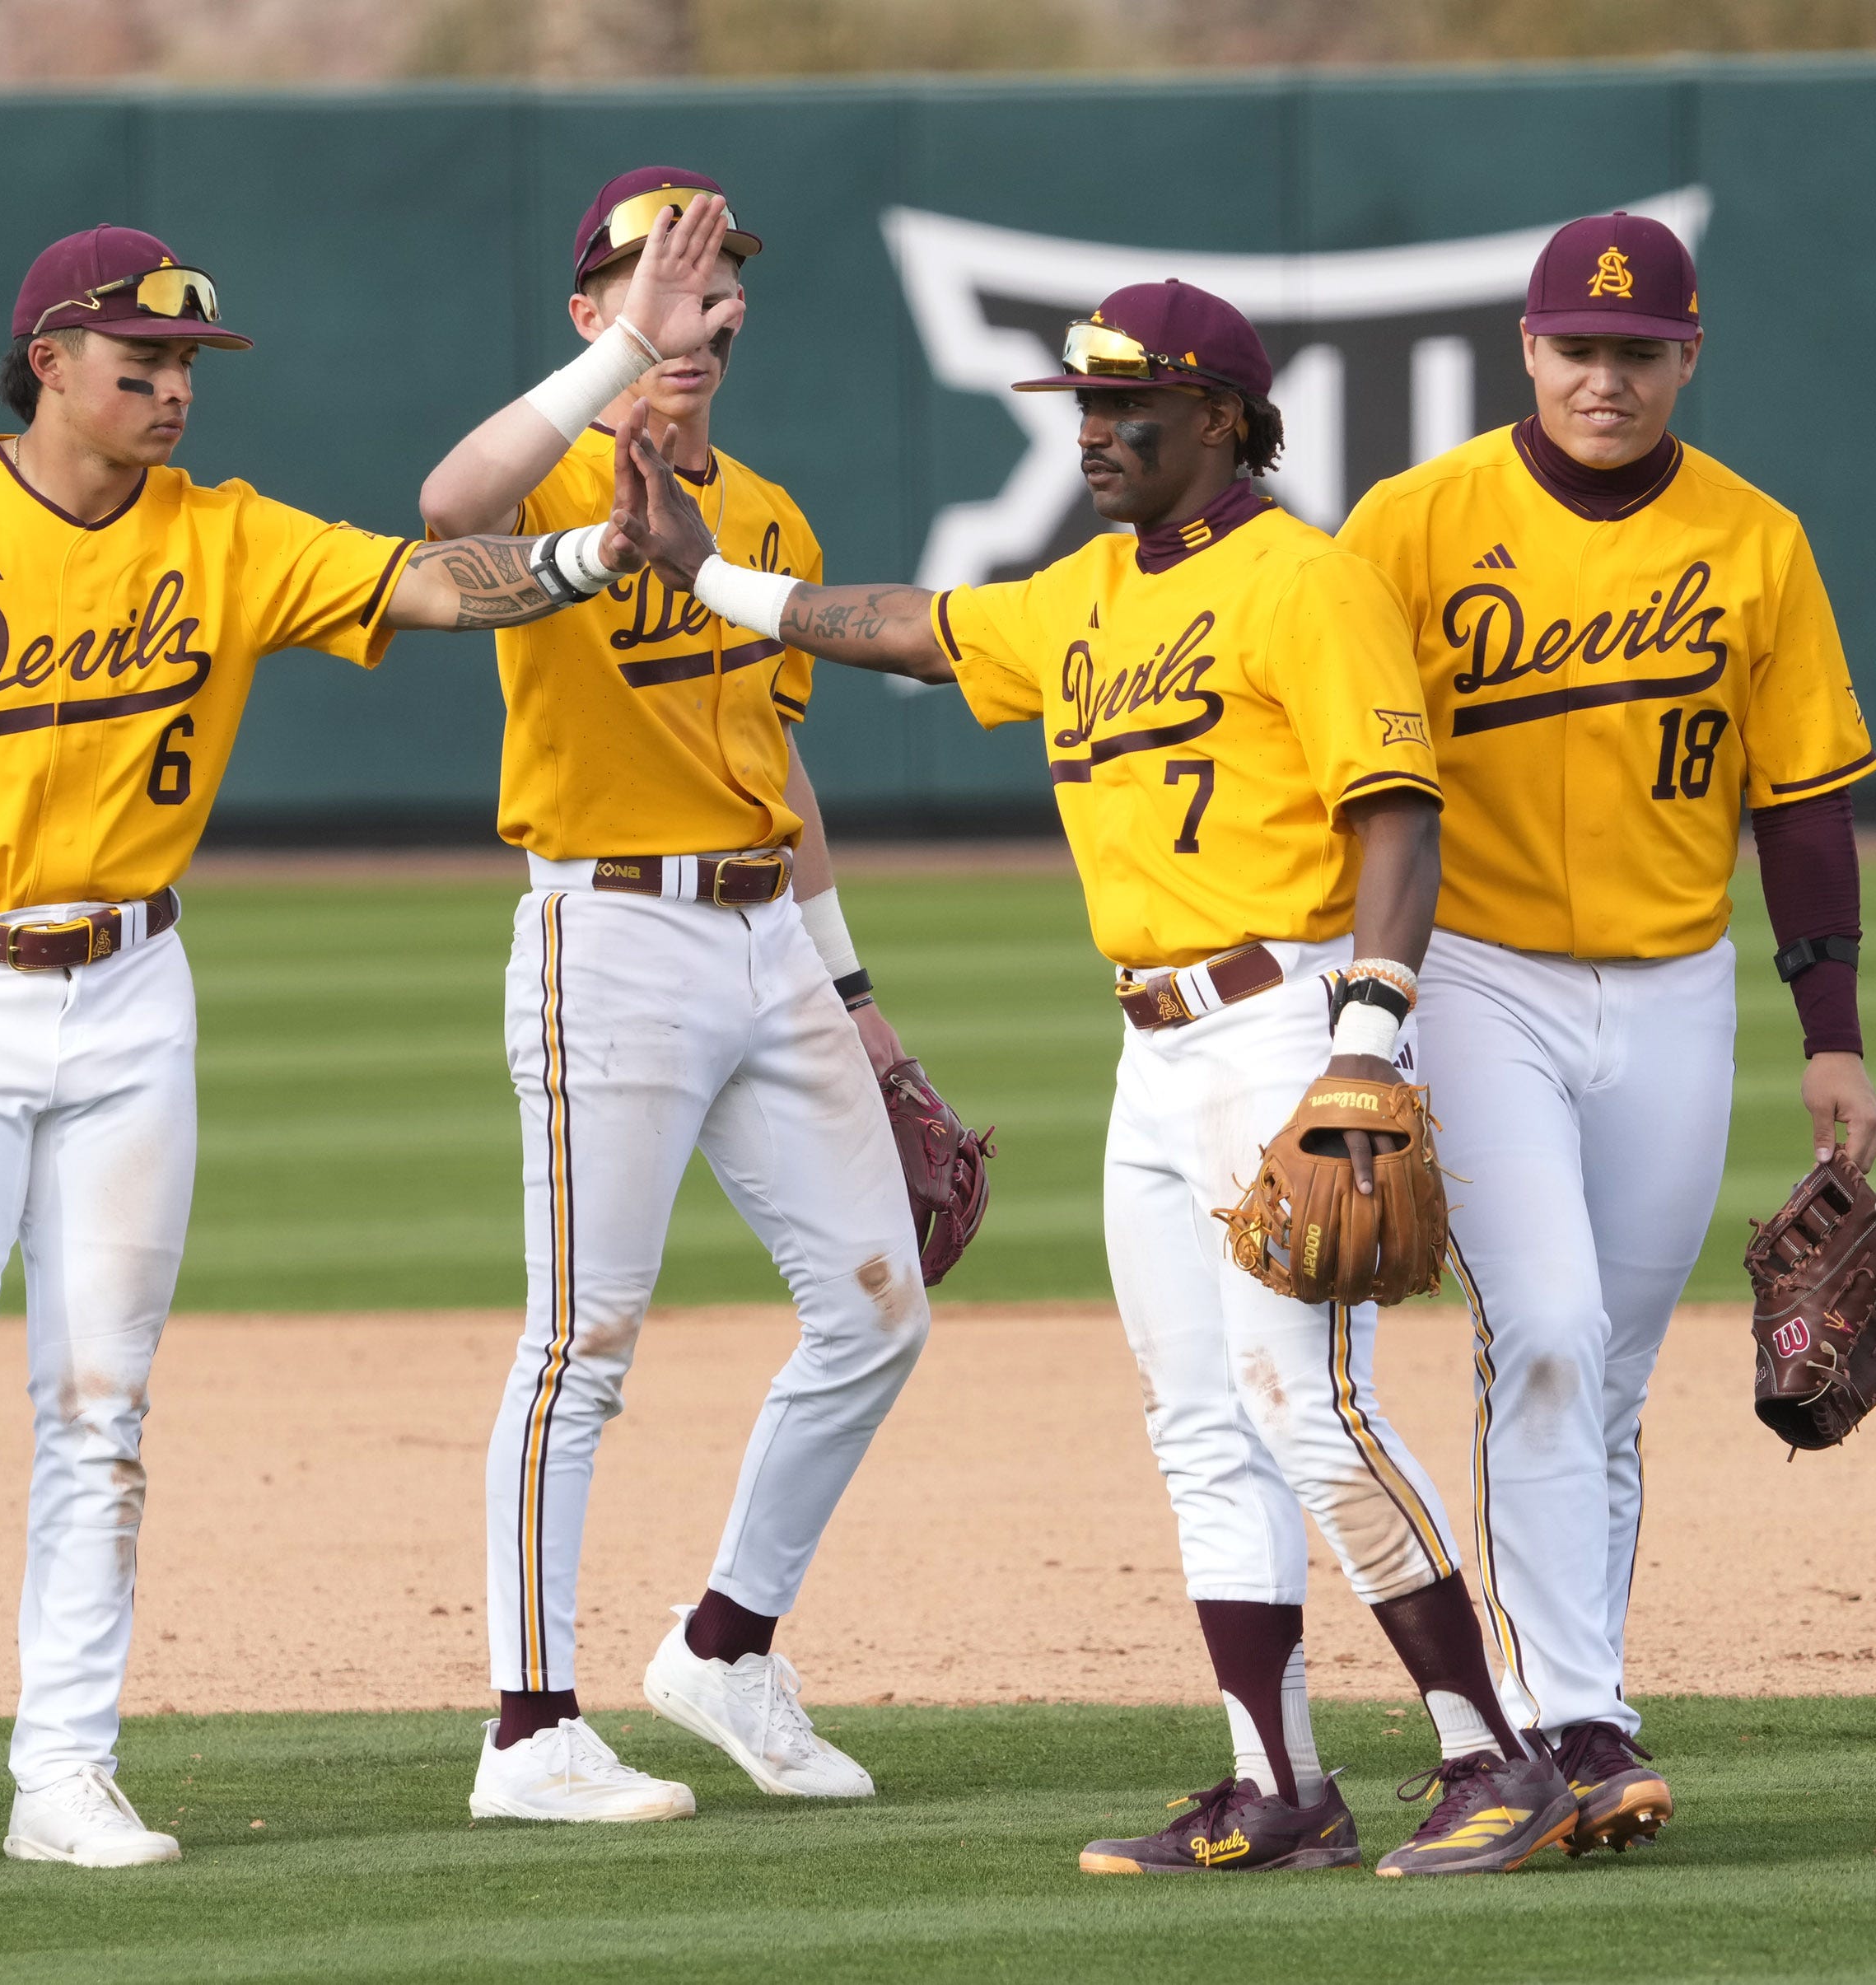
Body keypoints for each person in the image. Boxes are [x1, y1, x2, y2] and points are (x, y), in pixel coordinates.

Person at [0, 222, 656, 1879]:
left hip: (133, 993)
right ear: (46, 362)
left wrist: (579, 563)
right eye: (140, 364)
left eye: (187, 365)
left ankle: (66, 1767)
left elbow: (416, 580)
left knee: (99, 1402)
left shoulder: (221, 534)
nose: (171, 391)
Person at [610, 277, 1578, 1877]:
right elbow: (910, 632)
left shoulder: (1303, 581)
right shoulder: (1082, 595)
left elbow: (1396, 813)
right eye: (1079, 406)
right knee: (1200, 1423)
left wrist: (1363, 1038)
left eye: (1125, 406)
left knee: (1309, 1406)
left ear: (1223, 418)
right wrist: (698, 573)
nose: (1092, 433)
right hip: (1149, 1054)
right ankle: (1276, 1783)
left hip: (1283, 1022)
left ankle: (1496, 1755)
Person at [1337, 212, 1876, 1853]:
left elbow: (1798, 807)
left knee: (1614, 1376)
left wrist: (1831, 1031)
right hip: (1478, 978)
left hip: (1672, 985)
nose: (1602, 375)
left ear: (1685, 357)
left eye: (1635, 351)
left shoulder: (1752, 541)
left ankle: (1580, 1704)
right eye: (1575, 346)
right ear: (1525, 347)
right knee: (1553, 1330)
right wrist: (1347, 999)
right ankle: (1569, 1718)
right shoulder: (1411, 525)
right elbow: (1349, 767)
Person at [418, 168, 932, 1824]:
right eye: (649, 283)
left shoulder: (767, 515)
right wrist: (609, 359)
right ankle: (526, 1728)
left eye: (709, 284)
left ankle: (722, 1643)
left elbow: (780, 753)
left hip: (764, 931)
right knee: (583, 1337)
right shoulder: (553, 463)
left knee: (876, 1303)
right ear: (589, 312)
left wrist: (854, 993)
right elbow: (443, 503)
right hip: (609, 931)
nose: (691, 309)